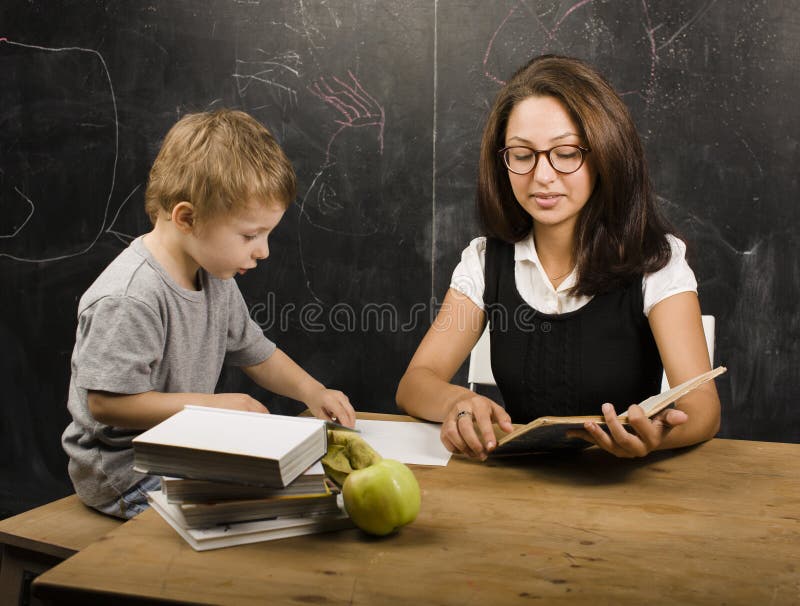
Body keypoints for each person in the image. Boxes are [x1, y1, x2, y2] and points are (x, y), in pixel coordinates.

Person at [396, 55, 720, 460]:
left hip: (622, 490)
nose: (542, 175)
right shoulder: (485, 261)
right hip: (516, 484)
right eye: (522, 154)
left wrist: (656, 435)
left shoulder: (656, 260)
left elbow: (703, 405)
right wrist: (455, 402)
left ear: (605, 153)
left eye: (566, 153)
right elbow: (415, 382)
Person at [62, 109, 355, 519]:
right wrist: (212, 406)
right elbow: (109, 405)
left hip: (183, 452)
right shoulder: (130, 297)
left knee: (298, 488)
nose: (263, 251)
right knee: (263, 511)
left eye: (268, 234)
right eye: (250, 235)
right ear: (187, 217)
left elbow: (256, 352)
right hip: (126, 472)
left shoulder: (216, 278)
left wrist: (312, 391)